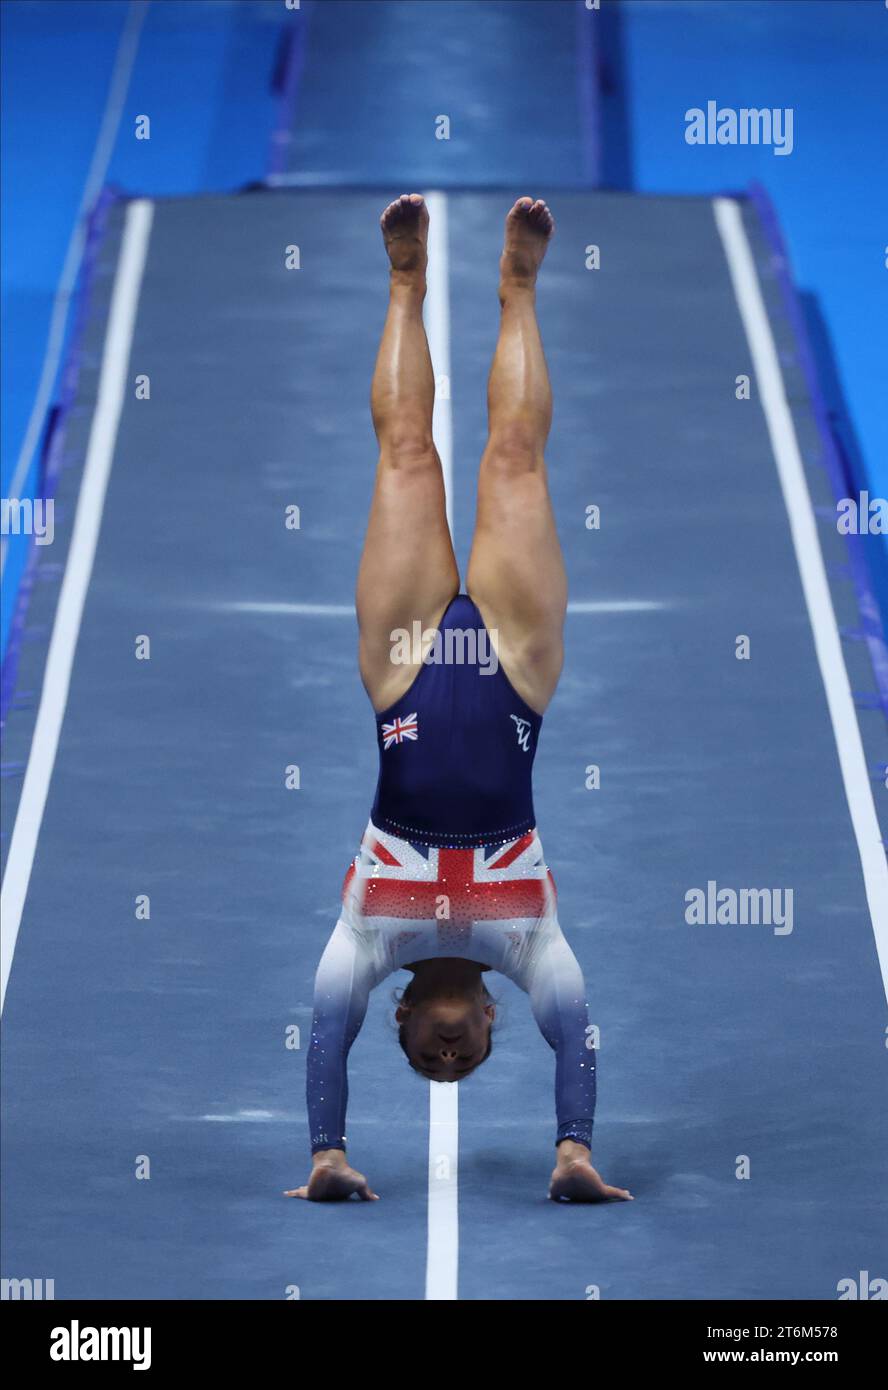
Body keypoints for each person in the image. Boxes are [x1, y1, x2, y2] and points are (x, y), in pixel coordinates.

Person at [286, 194, 631, 1205]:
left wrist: (325, 1154)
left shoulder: (366, 940)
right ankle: (519, 288)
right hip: (517, 671)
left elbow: (318, 1033)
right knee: (515, 455)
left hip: (403, 669)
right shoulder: (530, 941)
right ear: (491, 1024)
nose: (446, 1056)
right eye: (464, 1061)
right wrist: (573, 1151)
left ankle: (405, 281)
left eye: (426, 1059)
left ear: (395, 1019)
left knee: (407, 453)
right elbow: (576, 1028)